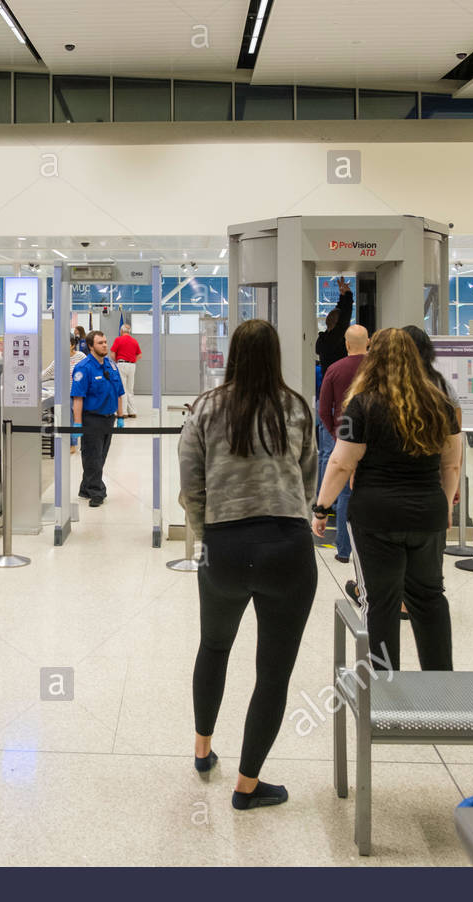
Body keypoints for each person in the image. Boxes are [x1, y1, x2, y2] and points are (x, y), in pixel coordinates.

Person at [179, 319, 317, 810]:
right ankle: (247, 785)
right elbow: (306, 475)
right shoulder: (296, 407)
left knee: (213, 647)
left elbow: (191, 485)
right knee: (272, 672)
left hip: (225, 548)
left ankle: (202, 750)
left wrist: (207, 534)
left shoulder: (205, 409)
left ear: (232, 355)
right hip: (287, 548)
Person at [313, 328, 463, 672]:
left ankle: (383, 695)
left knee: (381, 603)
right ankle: (440, 685)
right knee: (429, 598)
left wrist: (322, 508)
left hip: (376, 516)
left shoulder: (362, 405)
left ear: (372, 358)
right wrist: (441, 506)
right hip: (427, 513)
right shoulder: (439, 403)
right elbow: (451, 462)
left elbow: (340, 463)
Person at [315, 324, 369, 564]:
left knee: (345, 492)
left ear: (346, 344)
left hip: (344, 439)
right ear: (368, 342)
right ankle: (368, 551)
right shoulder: (379, 370)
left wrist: (337, 435)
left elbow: (324, 409)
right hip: (374, 442)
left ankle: (344, 551)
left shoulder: (335, 370)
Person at [71, 330, 124, 507]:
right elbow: (78, 398)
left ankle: (85, 488)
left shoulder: (111, 365)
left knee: (100, 456)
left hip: (109, 418)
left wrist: (121, 415)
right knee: (92, 456)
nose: (105, 345)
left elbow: (119, 392)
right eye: (100, 343)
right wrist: (77, 423)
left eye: (105, 342)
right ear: (91, 346)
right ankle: (97, 492)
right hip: (91, 419)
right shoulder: (83, 368)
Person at [314, 278, 354, 485]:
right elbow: (344, 319)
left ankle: (322, 491)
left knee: (324, 452)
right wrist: (347, 296)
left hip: (323, 398)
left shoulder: (322, 341)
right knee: (333, 451)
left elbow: (340, 319)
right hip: (337, 401)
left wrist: (342, 299)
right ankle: (332, 498)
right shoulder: (338, 341)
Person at [42, 334, 86, 454]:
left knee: (77, 419)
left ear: (72, 345)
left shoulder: (81, 356)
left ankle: (77, 443)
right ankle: (72, 443)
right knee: (69, 419)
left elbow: (87, 371)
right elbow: (46, 374)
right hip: (66, 394)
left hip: (79, 393)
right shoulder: (59, 359)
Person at [110, 323, 142, 418]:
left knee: (122, 388)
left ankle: (123, 412)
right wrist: (132, 360)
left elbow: (112, 354)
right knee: (130, 389)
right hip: (132, 366)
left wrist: (117, 362)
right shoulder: (134, 341)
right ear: (129, 331)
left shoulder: (118, 339)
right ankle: (132, 411)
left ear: (121, 331)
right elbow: (139, 355)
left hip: (121, 364)